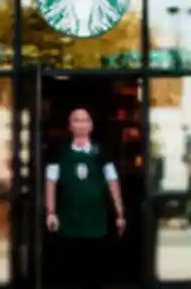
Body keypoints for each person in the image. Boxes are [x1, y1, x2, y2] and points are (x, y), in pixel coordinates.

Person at [44, 107, 125, 289]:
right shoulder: (59, 151)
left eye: (85, 120)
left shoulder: (102, 151)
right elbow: (51, 182)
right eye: (76, 120)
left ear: (91, 125)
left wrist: (120, 213)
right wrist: (50, 212)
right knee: (71, 270)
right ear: (70, 126)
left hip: (96, 222)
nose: (81, 124)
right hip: (69, 221)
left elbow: (112, 181)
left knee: (95, 271)